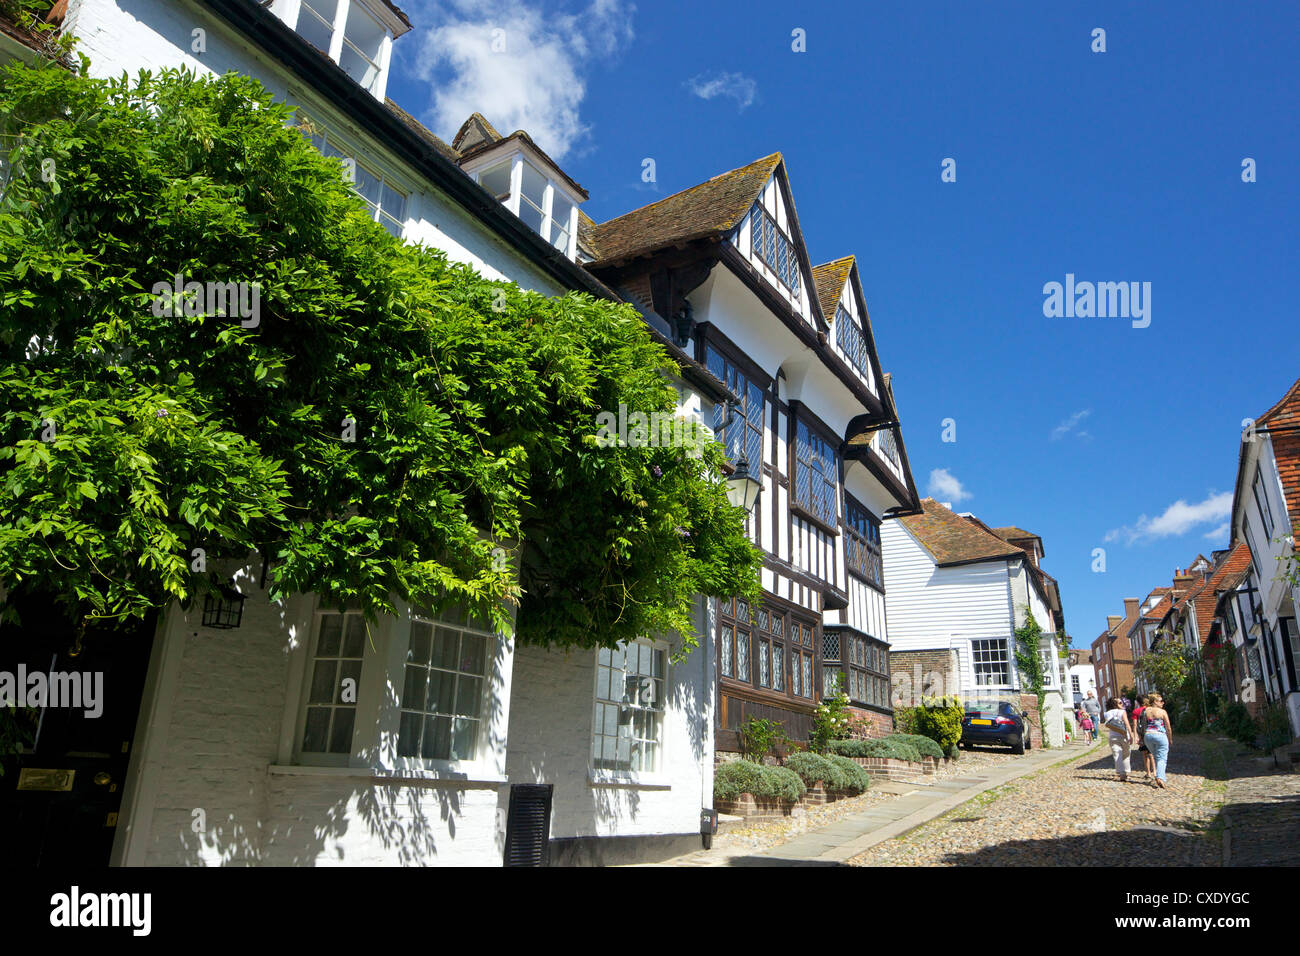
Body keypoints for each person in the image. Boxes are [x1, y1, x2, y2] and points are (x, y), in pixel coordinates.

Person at [1142, 693, 1174, 789]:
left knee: (1157, 757)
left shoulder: (1146, 711)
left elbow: (1143, 725)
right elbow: (1168, 727)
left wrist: (1141, 738)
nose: (1163, 703)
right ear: (1155, 702)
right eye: (1161, 701)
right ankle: (1160, 777)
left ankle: (1158, 775)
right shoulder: (1162, 712)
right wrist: (1170, 739)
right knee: (1162, 758)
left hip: (1148, 735)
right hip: (1160, 735)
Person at [1102, 696, 1137, 782]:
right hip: (1124, 735)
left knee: (1117, 754)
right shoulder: (1122, 712)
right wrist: (1131, 735)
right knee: (1126, 754)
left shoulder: (1107, 713)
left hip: (1113, 736)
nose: (1122, 704)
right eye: (1120, 703)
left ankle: (1121, 773)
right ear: (1115, 704)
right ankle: (1126, 772)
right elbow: (1127, 724)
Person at [1134, 695, 1155, 778]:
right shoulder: (1151, 710)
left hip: (1143, 734)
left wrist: (1136, 736)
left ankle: (1148, 772)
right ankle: (1155, 772)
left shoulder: (1136, 711)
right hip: (1151, 732)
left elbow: (1135, 724)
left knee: (1145, 754)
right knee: (1151, 754)